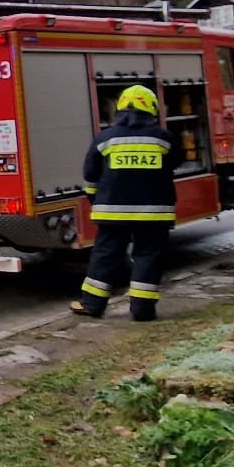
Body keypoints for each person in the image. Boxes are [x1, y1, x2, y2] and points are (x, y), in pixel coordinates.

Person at [72, 85, 176, 321]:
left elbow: (90, 174)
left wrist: (95, 200)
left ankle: (92, 305)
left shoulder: (104, 138)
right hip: (154, 213)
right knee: (148, 256)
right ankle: (142, 310)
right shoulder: (165, 139)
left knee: (105, 255)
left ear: (119, 109)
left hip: (112, 211)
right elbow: (175, 165)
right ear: (151, 108)